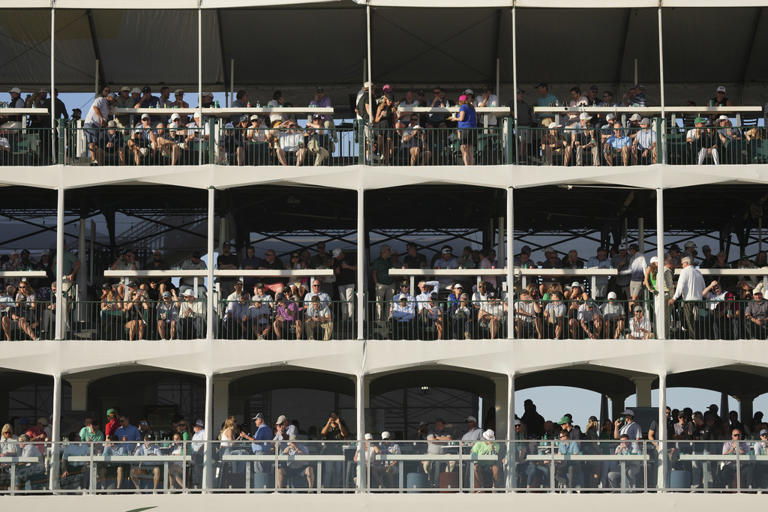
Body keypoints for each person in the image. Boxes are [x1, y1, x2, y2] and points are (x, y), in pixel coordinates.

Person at [449, 94, 477, 165]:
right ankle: (471, 166)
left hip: (465, 129)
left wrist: (454, 118)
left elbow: (461, 118)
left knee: (463, 149)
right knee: (470, 150)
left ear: (461, 101)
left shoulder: (463, 107)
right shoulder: (472, 107)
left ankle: (467, 166)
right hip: (473, 130)